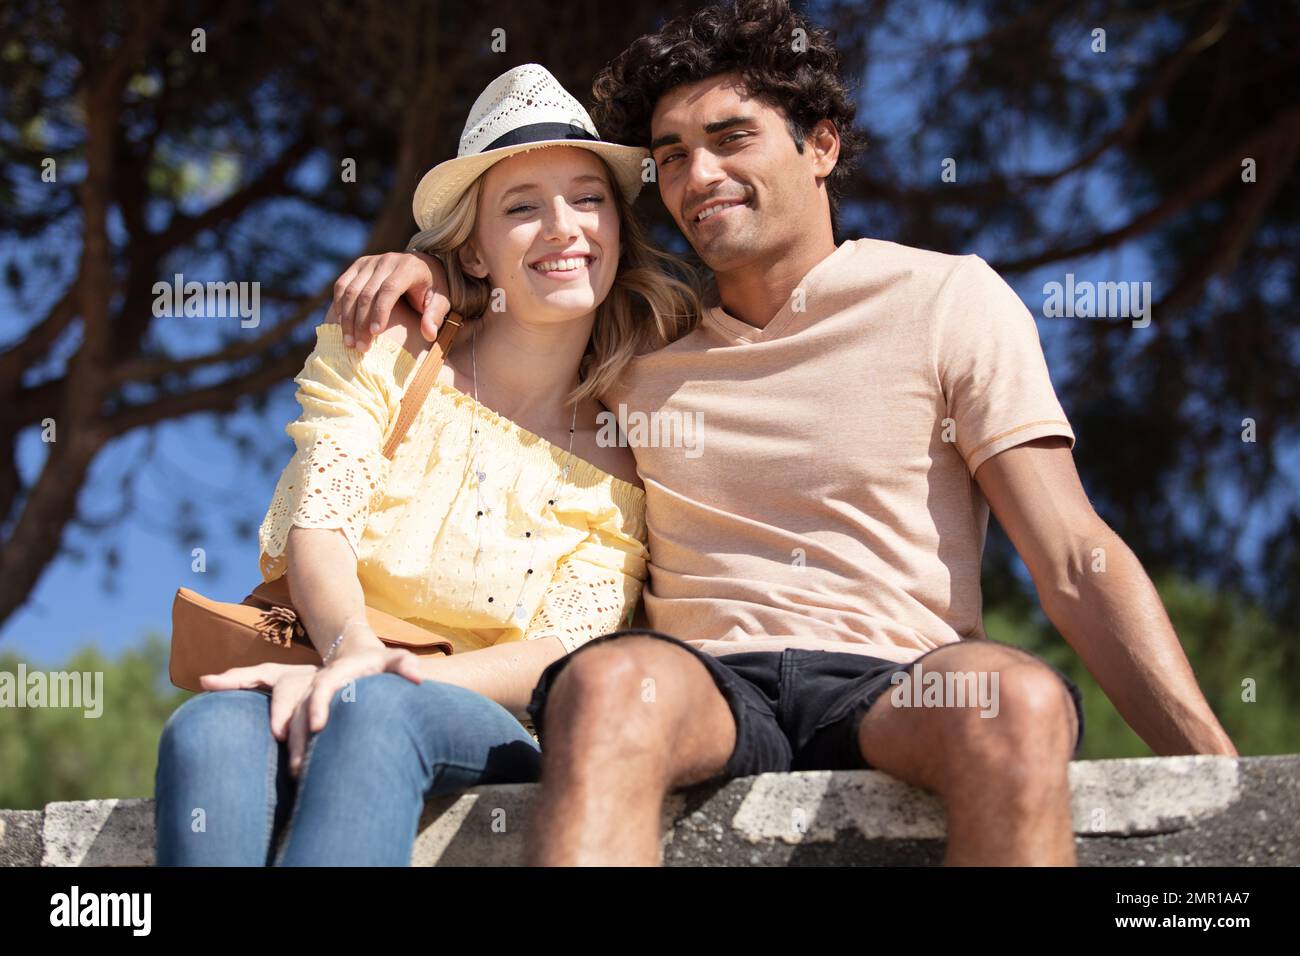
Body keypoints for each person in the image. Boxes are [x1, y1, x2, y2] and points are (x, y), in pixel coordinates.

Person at [328, 1, 1238, 867]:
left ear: (823, 148)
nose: (698, 176)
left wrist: (1219, 772)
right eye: (672, 155)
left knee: (1020, 701)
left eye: (731, 139)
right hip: (705, 682)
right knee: (604, 686)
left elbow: (1073, 558)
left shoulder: (947, 299)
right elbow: (525, 307)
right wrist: (429, 266)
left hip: (896, 680)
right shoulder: (639, 343)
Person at [154, 63, 699, 866]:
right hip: (333, 655)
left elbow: (558, 650)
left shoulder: (631, 447)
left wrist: (381, 680)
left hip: (486, 721)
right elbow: (320, 527)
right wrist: (350, 655)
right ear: (472, 255)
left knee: (376, 713)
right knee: (204, 731)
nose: (563, 226)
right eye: (521, 207)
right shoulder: (386, 349)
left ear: (617, 226)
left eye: (588, 198)